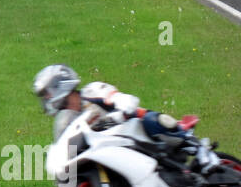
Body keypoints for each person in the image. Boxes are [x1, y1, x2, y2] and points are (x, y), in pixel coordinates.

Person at [32, 64, 211, 172]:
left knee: (150, 119)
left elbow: (115, 97)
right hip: (108, 149)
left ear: (60, 86)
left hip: (132, 131)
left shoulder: (92, 91)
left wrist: (121, 104)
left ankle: (195, 145)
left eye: (47, 93)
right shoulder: (66, 119)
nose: (46, 99)